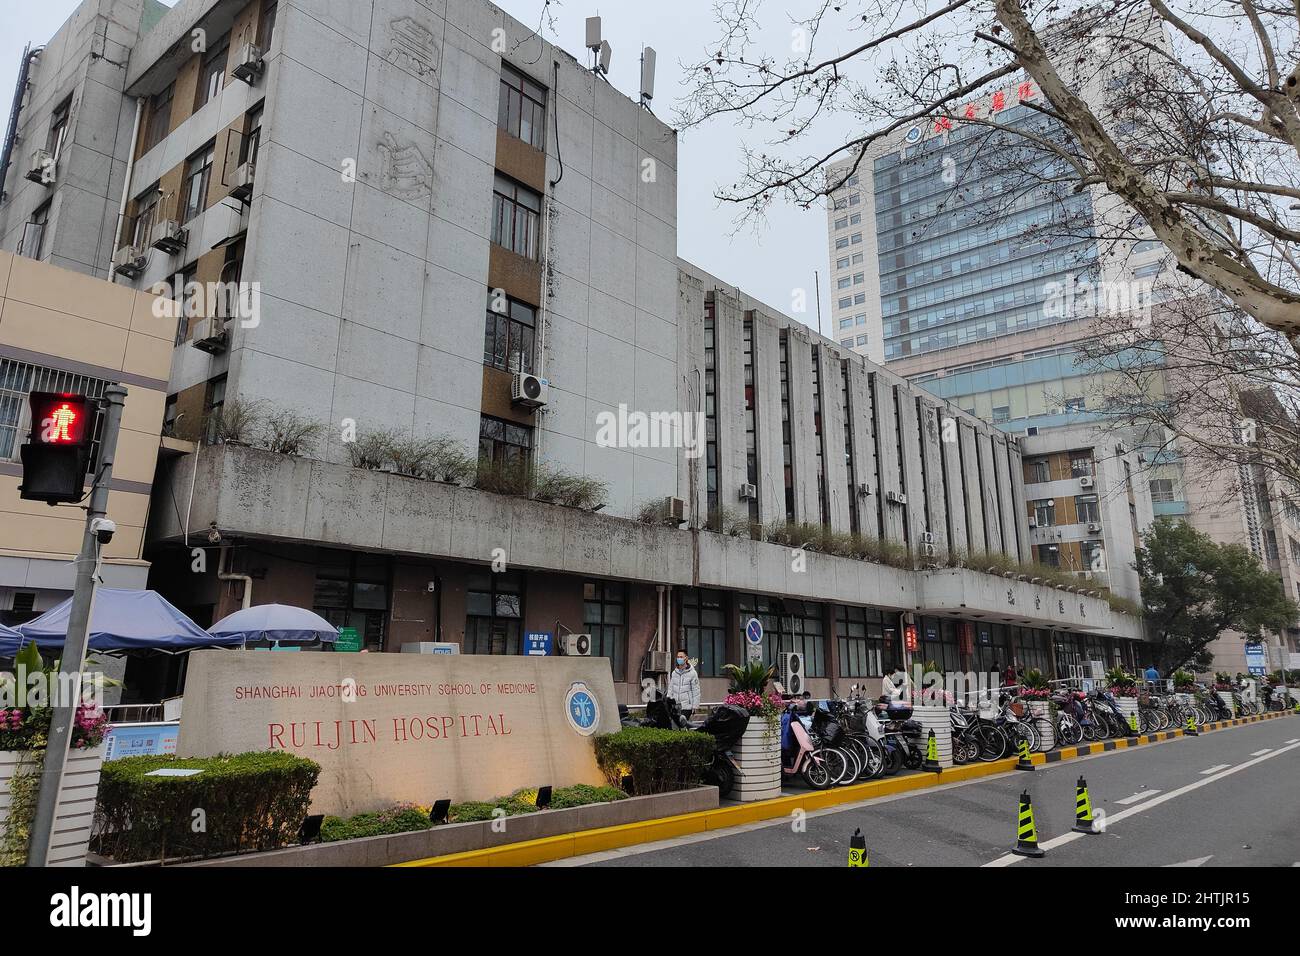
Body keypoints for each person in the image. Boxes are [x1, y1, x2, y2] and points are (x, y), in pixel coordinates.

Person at [666, 649, 700, 719]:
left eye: (681, 657)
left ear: (686, 658)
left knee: (682, 723)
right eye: (678, 657)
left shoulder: (692, 673)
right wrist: (668, 701)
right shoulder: (674, 673)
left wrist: (695, 706)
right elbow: (670, 688)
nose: (679, 659)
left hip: (686, 707)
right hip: (675, 706)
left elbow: (696, 690)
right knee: (674, 724)